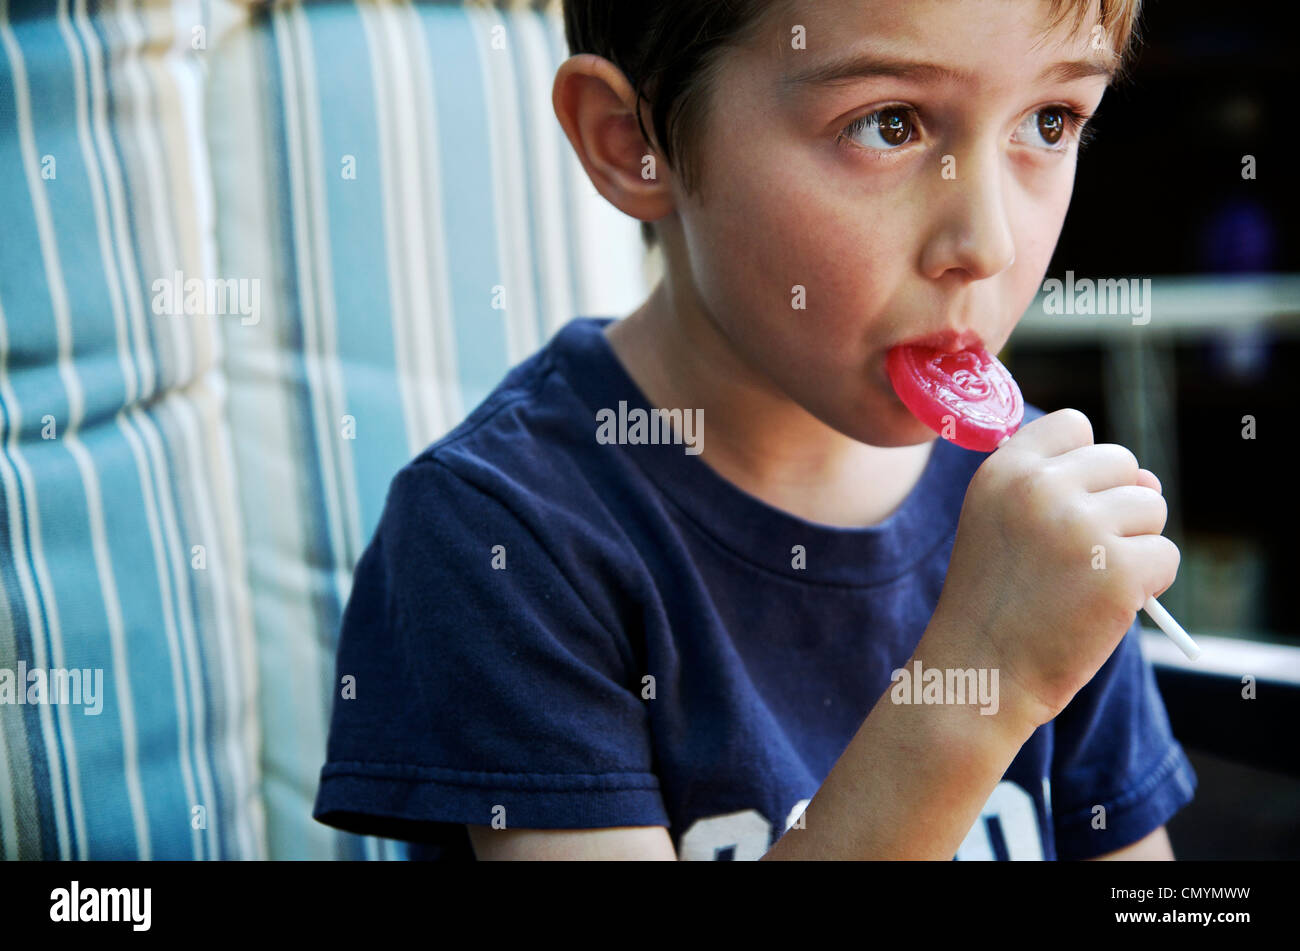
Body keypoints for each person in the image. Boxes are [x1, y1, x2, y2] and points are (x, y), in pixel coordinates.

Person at [312, 0, 1196, 860]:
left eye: (1050, 120)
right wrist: (984, 684)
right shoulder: (503, 537)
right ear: (634, 144)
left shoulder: (1034, 510)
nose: (989, 242)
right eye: (889, 124)